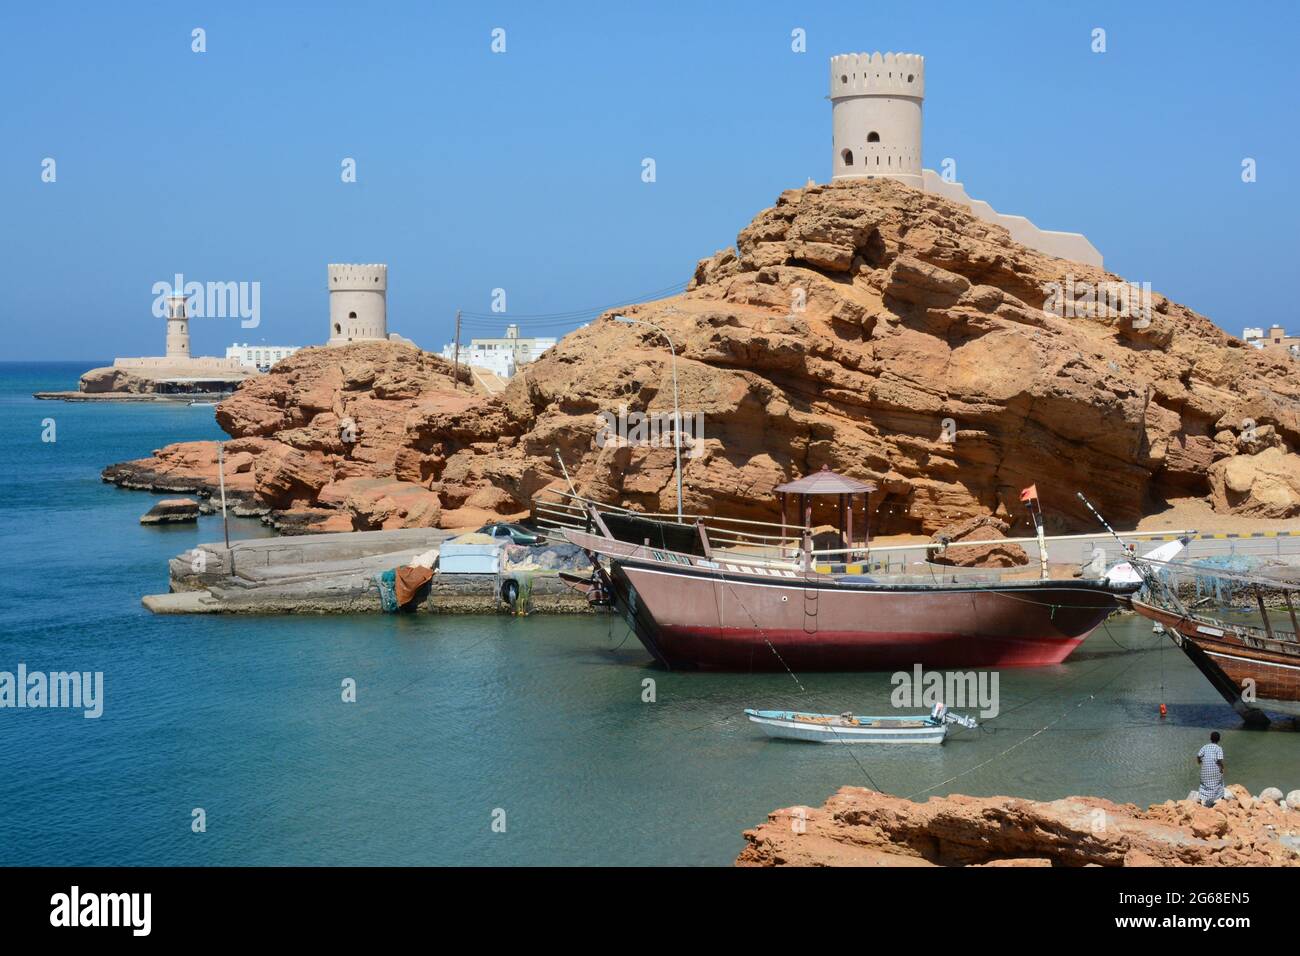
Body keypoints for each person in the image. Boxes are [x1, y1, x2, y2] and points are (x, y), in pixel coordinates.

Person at [1196, 732, 1226, 806]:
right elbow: (1219, 760)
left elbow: (1198, 755)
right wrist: (1222, 768)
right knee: (1219, 783)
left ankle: (1200, 799)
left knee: (1203, 784)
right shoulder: (1218, 748)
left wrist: (1199, 762)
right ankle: (1221, 798)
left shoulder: (1205, 747)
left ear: (1210, 738)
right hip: (1214, 772)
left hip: (1205, 771)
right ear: (1219, 739)